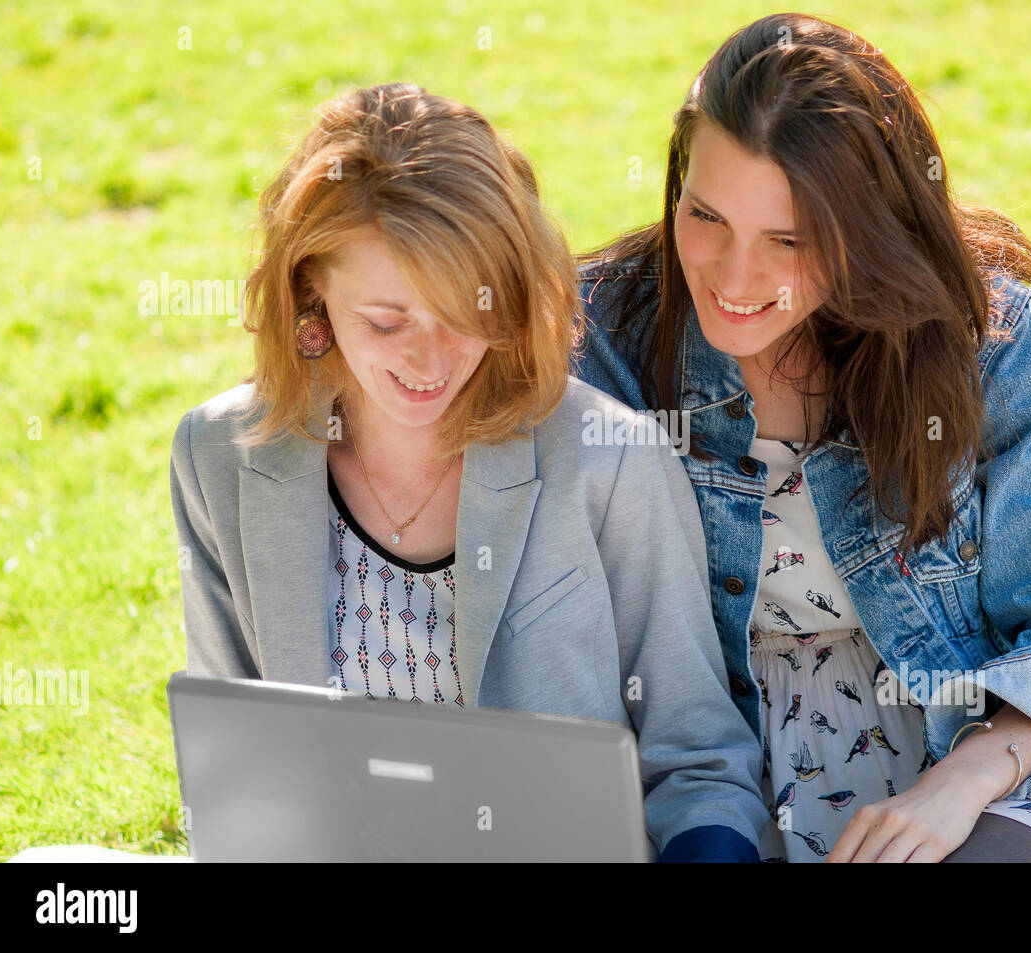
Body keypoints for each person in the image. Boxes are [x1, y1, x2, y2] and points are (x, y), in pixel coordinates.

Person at [574, 14, 1031, 862]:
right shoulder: (608, 336)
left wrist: (966, 778)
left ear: (865, 232)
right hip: (716, 761)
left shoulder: (987, 340)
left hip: (985, 745)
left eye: (789, 240)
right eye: (707, 215)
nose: (732, 277)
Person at [169, 83, 768, 861]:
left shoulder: (609, 459)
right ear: (310, 287)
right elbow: (236, 769)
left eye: (466, 316)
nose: (429, 363)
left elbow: (699, 760)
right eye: (386, 321)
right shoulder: (220, 453)